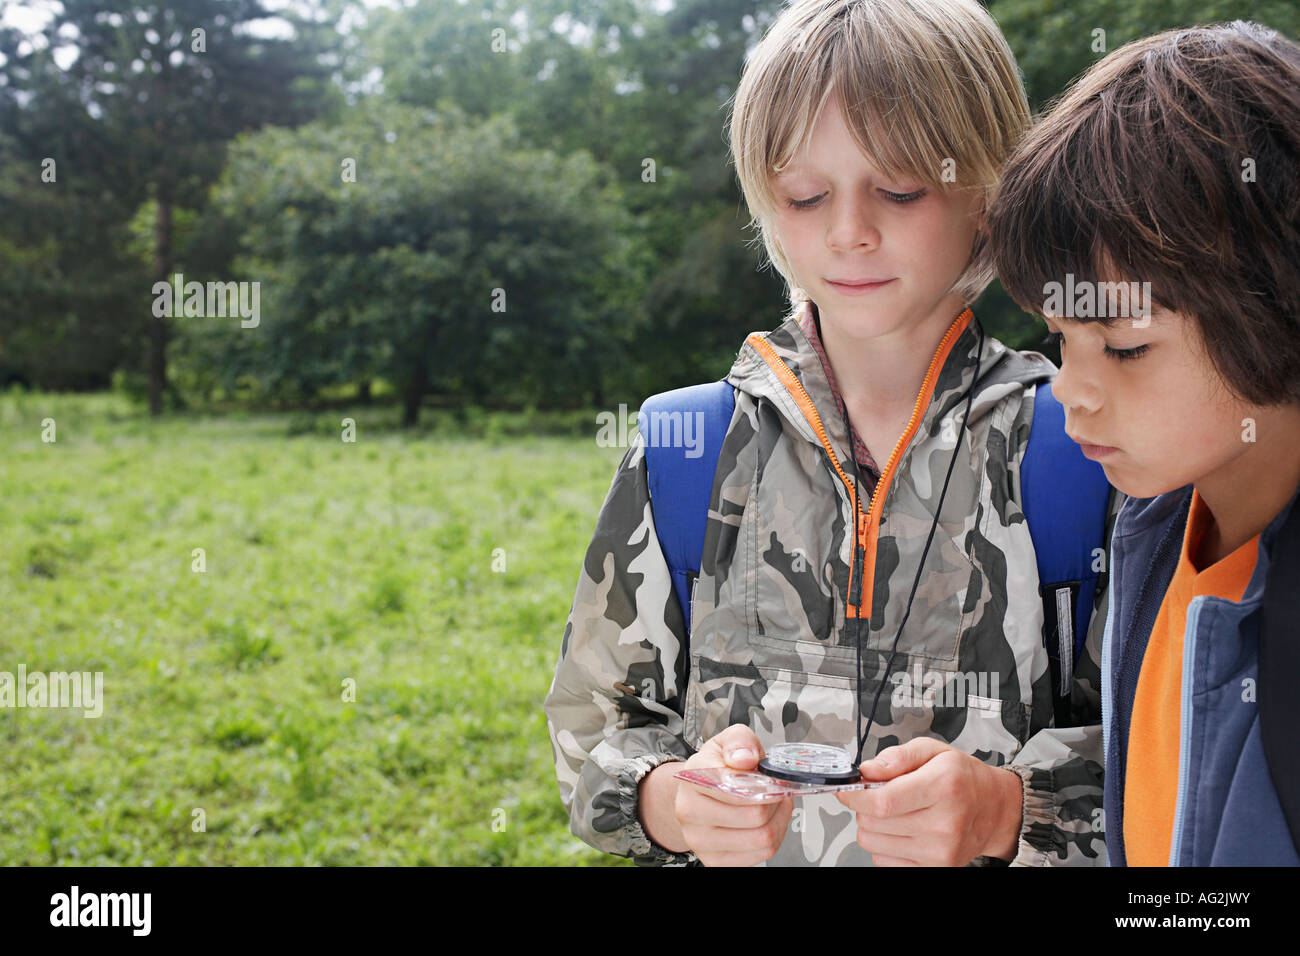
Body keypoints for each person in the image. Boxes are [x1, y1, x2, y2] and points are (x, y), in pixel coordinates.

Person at [544, 0, 1120, 867]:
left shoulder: (1085, 454)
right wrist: (669, 802)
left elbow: (1179, 759)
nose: (850, 230)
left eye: (900, 188)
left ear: (992, 192)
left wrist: (1009, 808)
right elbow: (595, 728)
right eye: (806, 195)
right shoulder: (684, 450)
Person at [986, 20, 1300, 865]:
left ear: (1274, 301)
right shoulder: (1149, 526)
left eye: (1124, 347)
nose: (1069, 391)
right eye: (1059, 339)